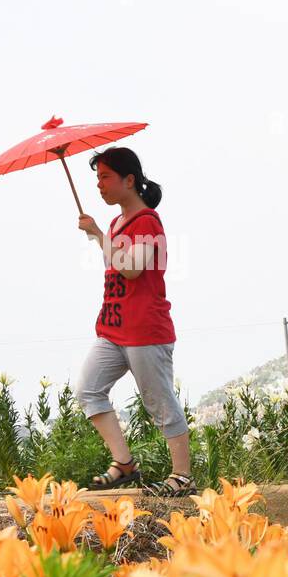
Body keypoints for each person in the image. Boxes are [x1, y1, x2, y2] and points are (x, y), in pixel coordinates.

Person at [74, 147, 193, 496]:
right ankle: (124, 464)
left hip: (145, 330)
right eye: (97, 178)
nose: (99, 185)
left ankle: (182, 475)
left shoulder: (148, 222)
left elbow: (131, 268)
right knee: (88, 389)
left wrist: (97, 234)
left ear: (129, 180)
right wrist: (102, 233)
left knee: (159, 402)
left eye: (105, 177)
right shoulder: (117, 223)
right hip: (112, 327)